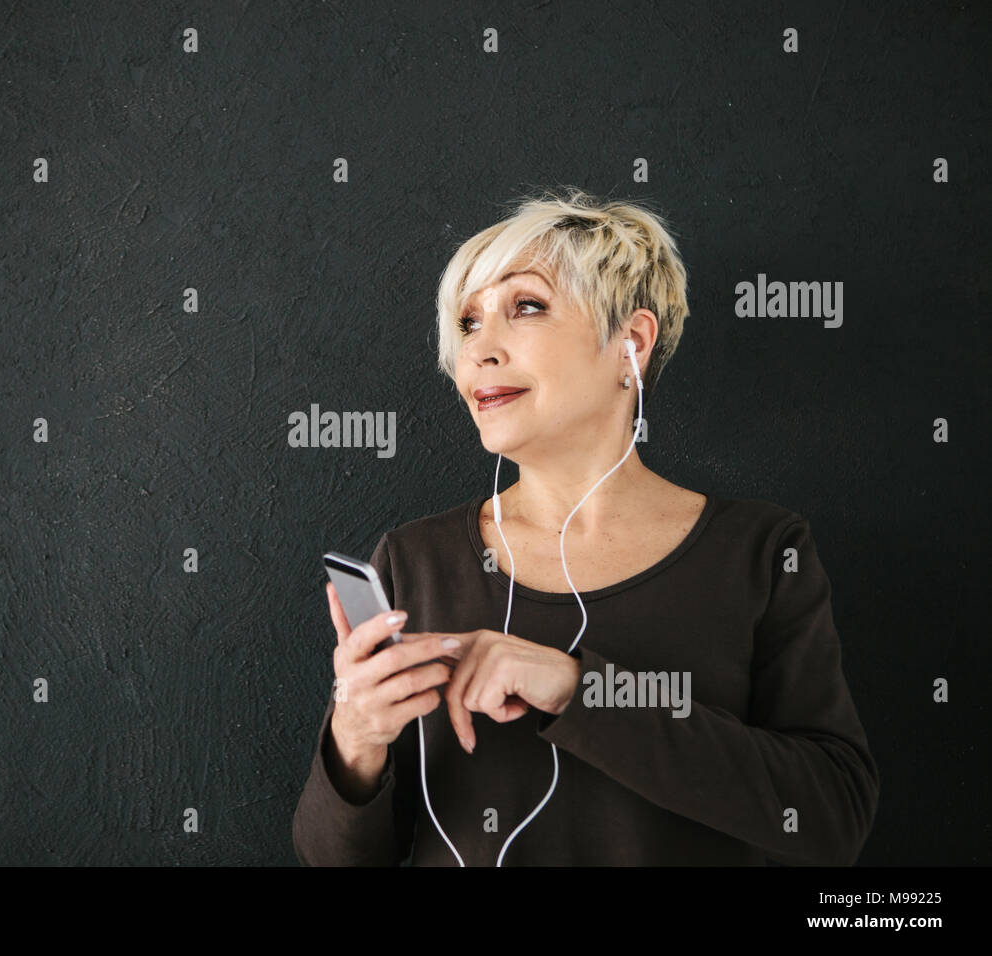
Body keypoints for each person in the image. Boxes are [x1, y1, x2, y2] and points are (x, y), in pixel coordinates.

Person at [291, 186, 880, 866]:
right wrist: (354, 741)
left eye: (527, 306)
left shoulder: (762, 553)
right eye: (467, 323)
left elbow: (831, 818)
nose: (477, 351)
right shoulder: (411, 561)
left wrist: (577, 688)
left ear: (630, 342)